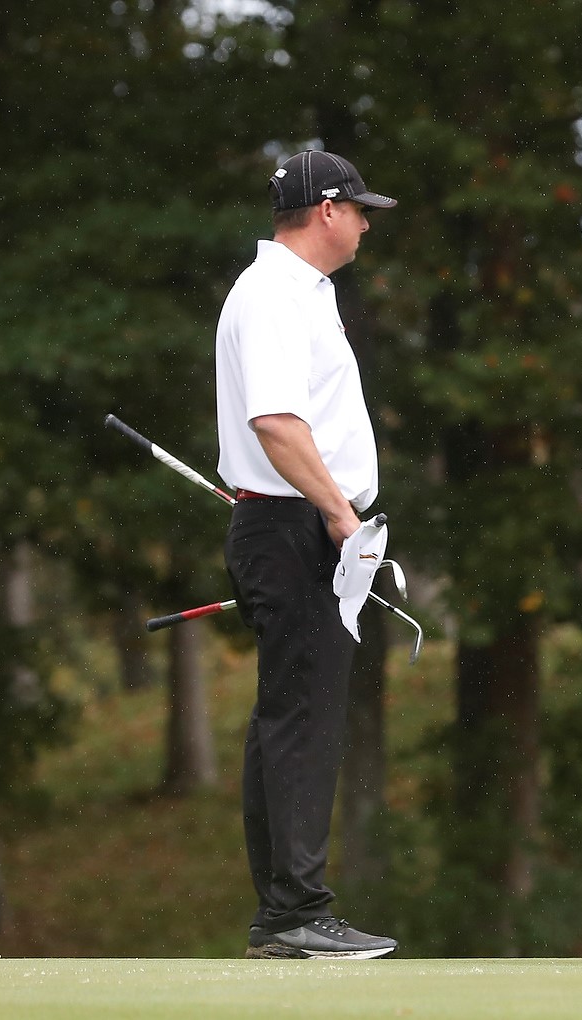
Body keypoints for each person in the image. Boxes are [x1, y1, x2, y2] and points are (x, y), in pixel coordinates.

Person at [216, 149, 398, 960]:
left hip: (293, 522)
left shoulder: (301, 295)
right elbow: (278, 423)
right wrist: (339, 515)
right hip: (296, 526)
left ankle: (284, 913)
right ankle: (295, 913)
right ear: (326, 209)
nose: (365, 223)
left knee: (289, 716)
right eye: (359, 209)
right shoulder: (274, 295)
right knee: (302, 718)